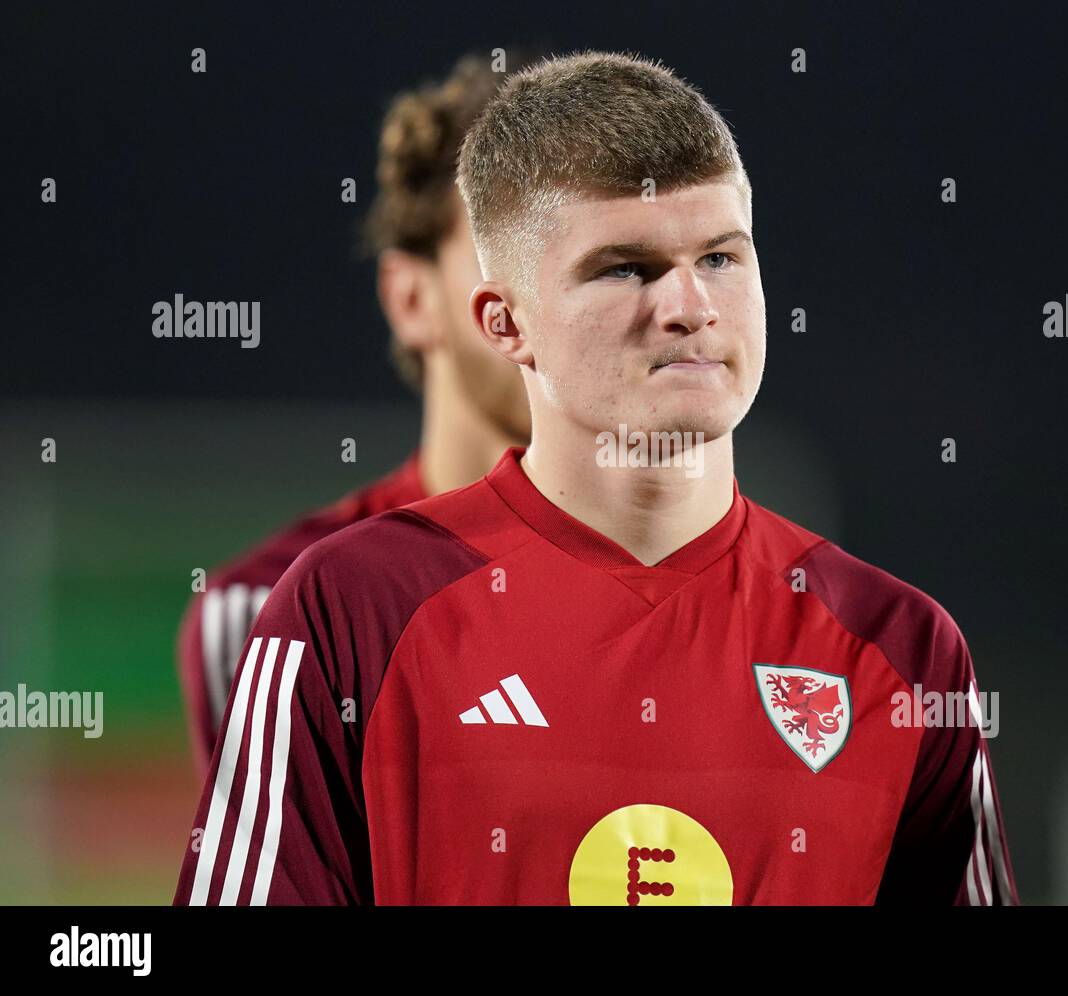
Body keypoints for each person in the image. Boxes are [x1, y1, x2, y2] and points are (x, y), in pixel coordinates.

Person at [175, 50, 1018, 906]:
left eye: (721, 258)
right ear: (505, 323)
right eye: (627, 269)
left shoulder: (902, 650)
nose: (689, 306)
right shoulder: (352, 610)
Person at [174, 53, 532, 778]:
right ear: (411, 298)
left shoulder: (728, 594)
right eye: (516, 248)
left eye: (603, 264)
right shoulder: (268, 613)